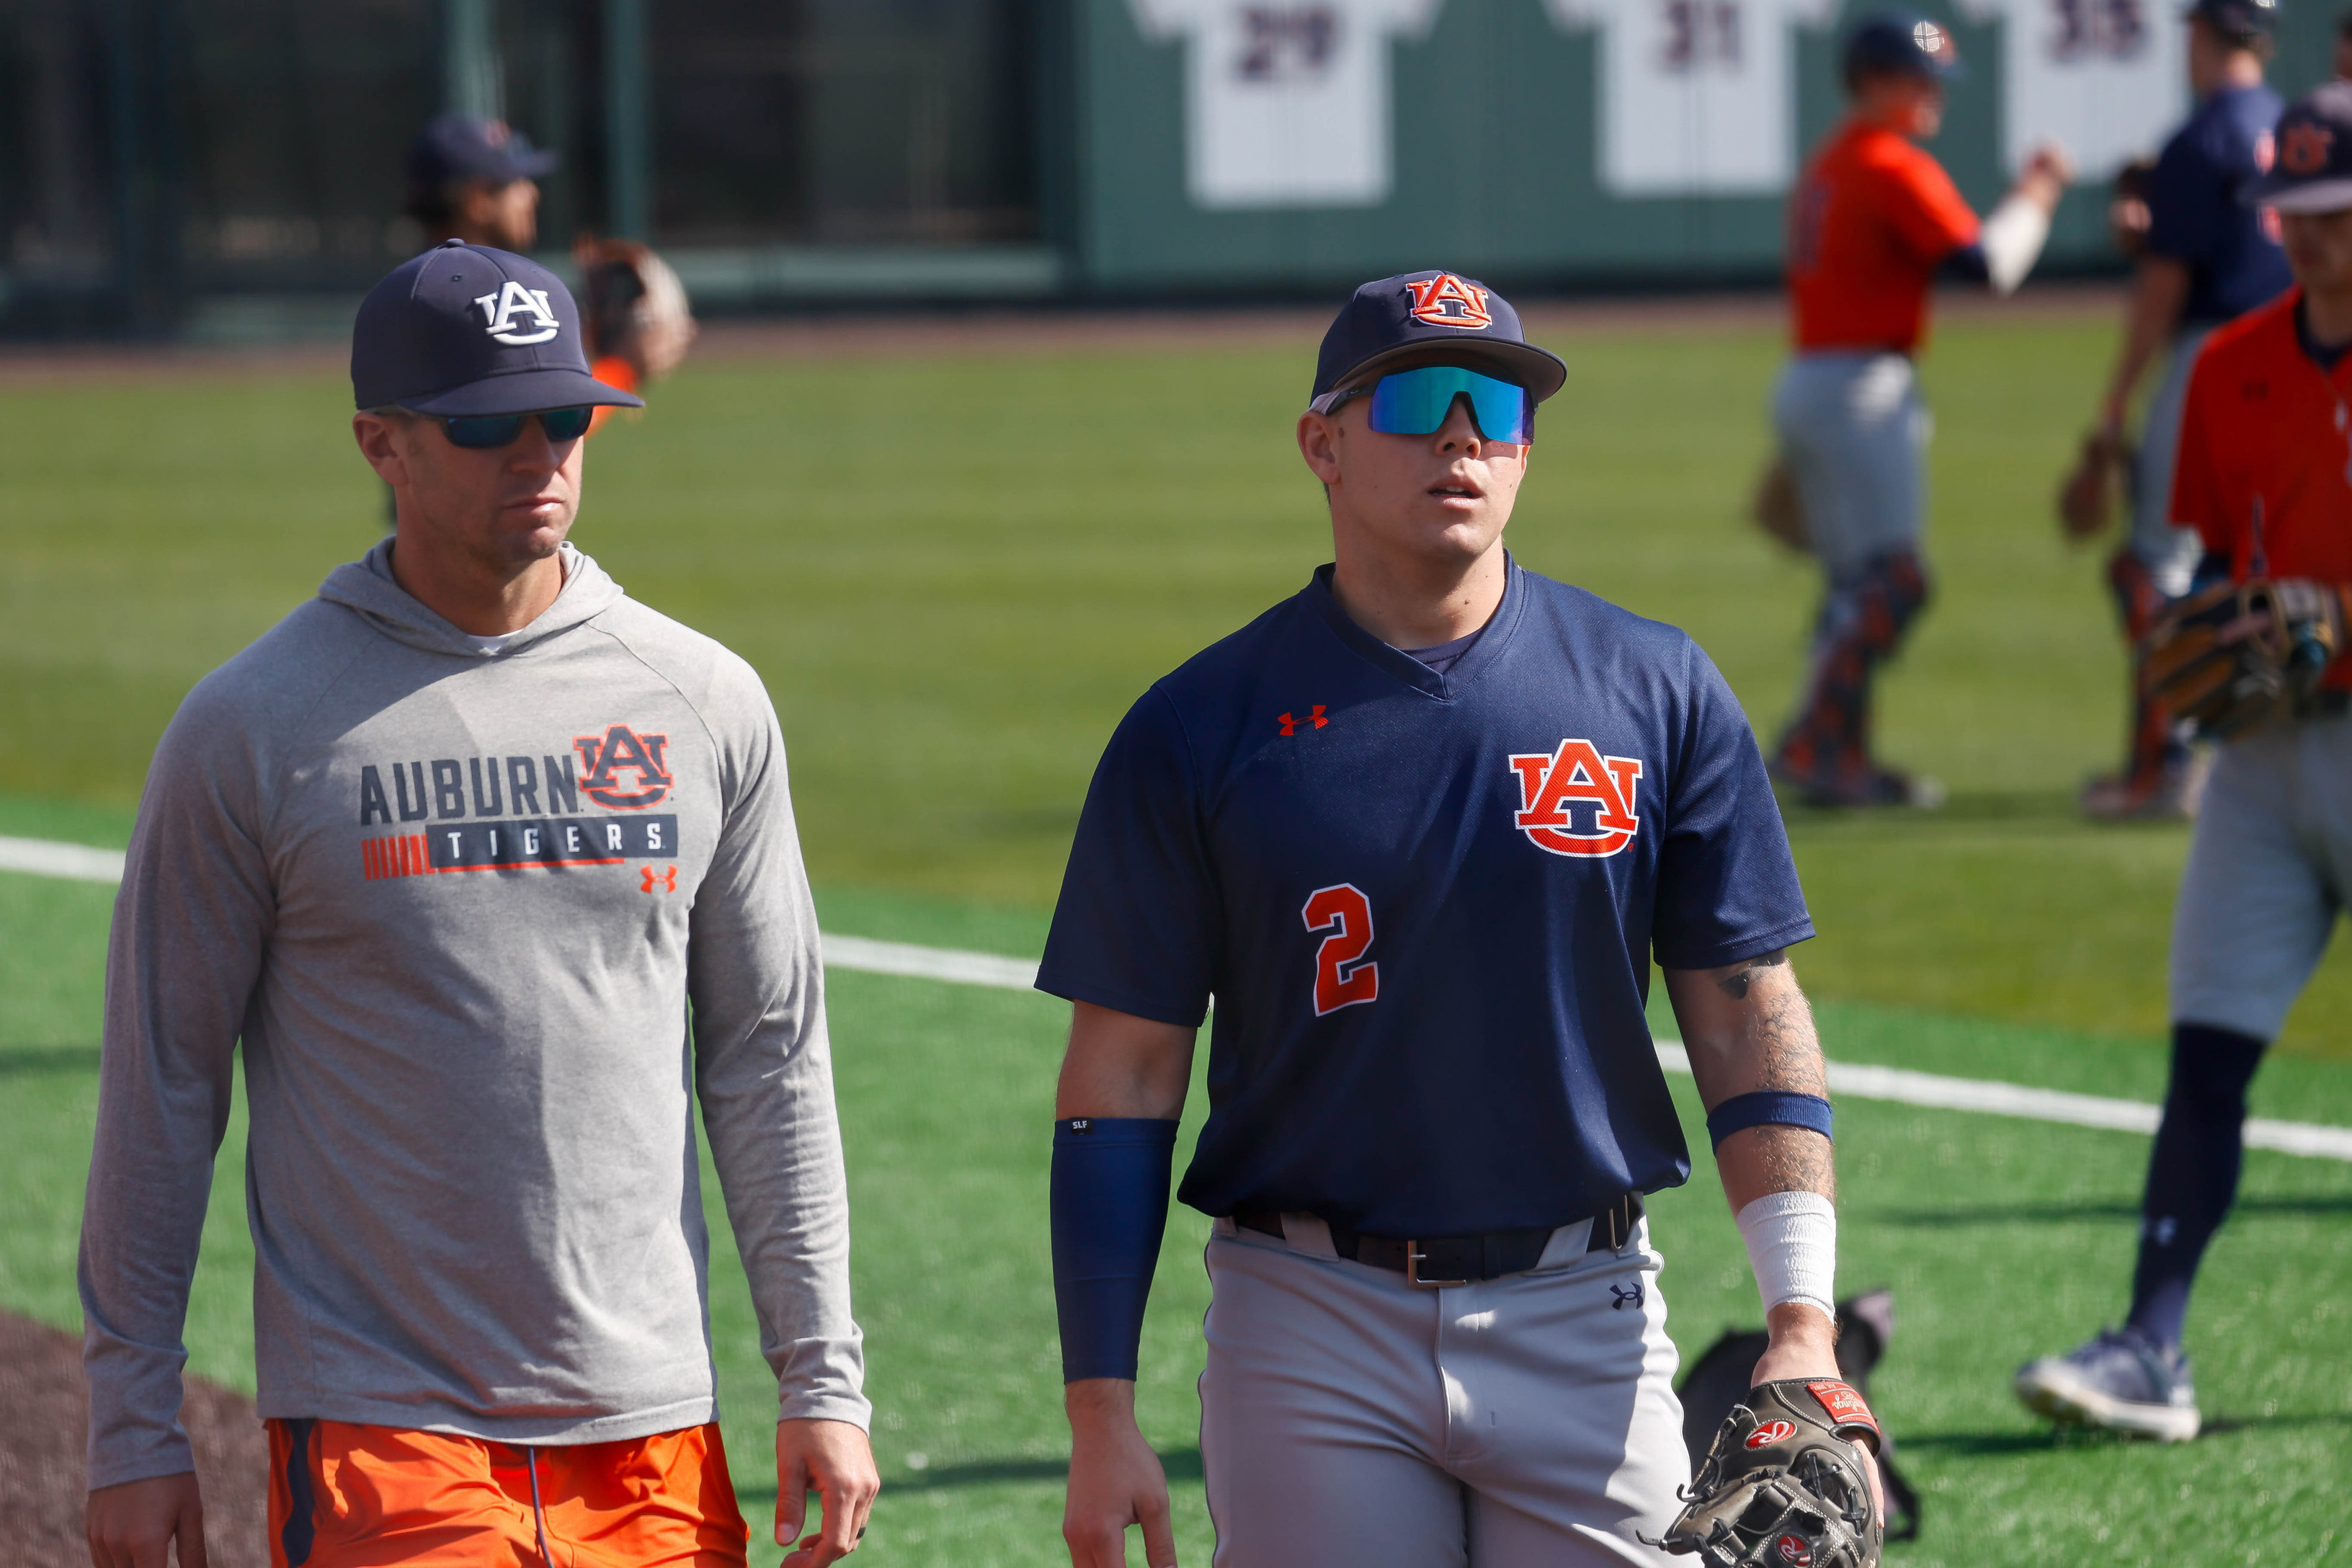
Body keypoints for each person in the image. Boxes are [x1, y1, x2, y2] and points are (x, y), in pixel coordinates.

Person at [1041, 270, 1879, 1567]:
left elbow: (1743, 1010)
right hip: (1308, 1321)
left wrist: (1802, 1322)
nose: (1461, 436)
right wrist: (1100, 1413)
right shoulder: (1196, 727)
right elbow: (1124, 1076)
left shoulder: (1653, 689)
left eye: (1497, 407)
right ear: (1321, 443)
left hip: (1587, 1311)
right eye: (1418, 398)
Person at [79, 240, 876, 1568]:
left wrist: (823, 1377)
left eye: (564, 416)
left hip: (654, 1433)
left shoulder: (704, 701)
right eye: (484, 424)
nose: (538, 453)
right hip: (380, 1430)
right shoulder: (251, 728)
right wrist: (131, 1430)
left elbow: (768, 1056)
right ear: (378, 444)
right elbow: (164, 1082)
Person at [2015, 84, 2352, 1444]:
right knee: (2206, 1049)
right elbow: (2217, 564)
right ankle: (2150, 1346)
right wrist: (2202, 632)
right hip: (2267, 760)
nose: (2308, 235)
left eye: (2333, 211)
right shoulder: (2230, 364)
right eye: (2292, 210)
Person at [1767, 12, 2072, 808]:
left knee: (1854, 587)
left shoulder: (1834, 157)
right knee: (1893, 582)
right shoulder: (1886, 162)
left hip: (1817, 377)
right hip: (1858, 385)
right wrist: (2038, 195)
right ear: (1873, 81)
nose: (1934, 93)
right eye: (1917, 78)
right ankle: (1811, 741)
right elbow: (1988, 266)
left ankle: (1841, 761)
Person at [2076, 0, 2289, 821]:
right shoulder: (2293, 127)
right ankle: (2248, 755)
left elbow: (2163, 289)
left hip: (2214, 360)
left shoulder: (2201, 141)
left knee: (2154, 569)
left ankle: (2162, 767)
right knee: (2258, 564)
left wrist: (2116, 399)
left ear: (2201, 35)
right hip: (2296, 360)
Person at [404, 115, 693, 414]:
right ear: (478, 201)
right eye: (517, 182)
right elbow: (531, 422)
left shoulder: (427, 287)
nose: (532, 194)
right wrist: (623, 367)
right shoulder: (460, 297)